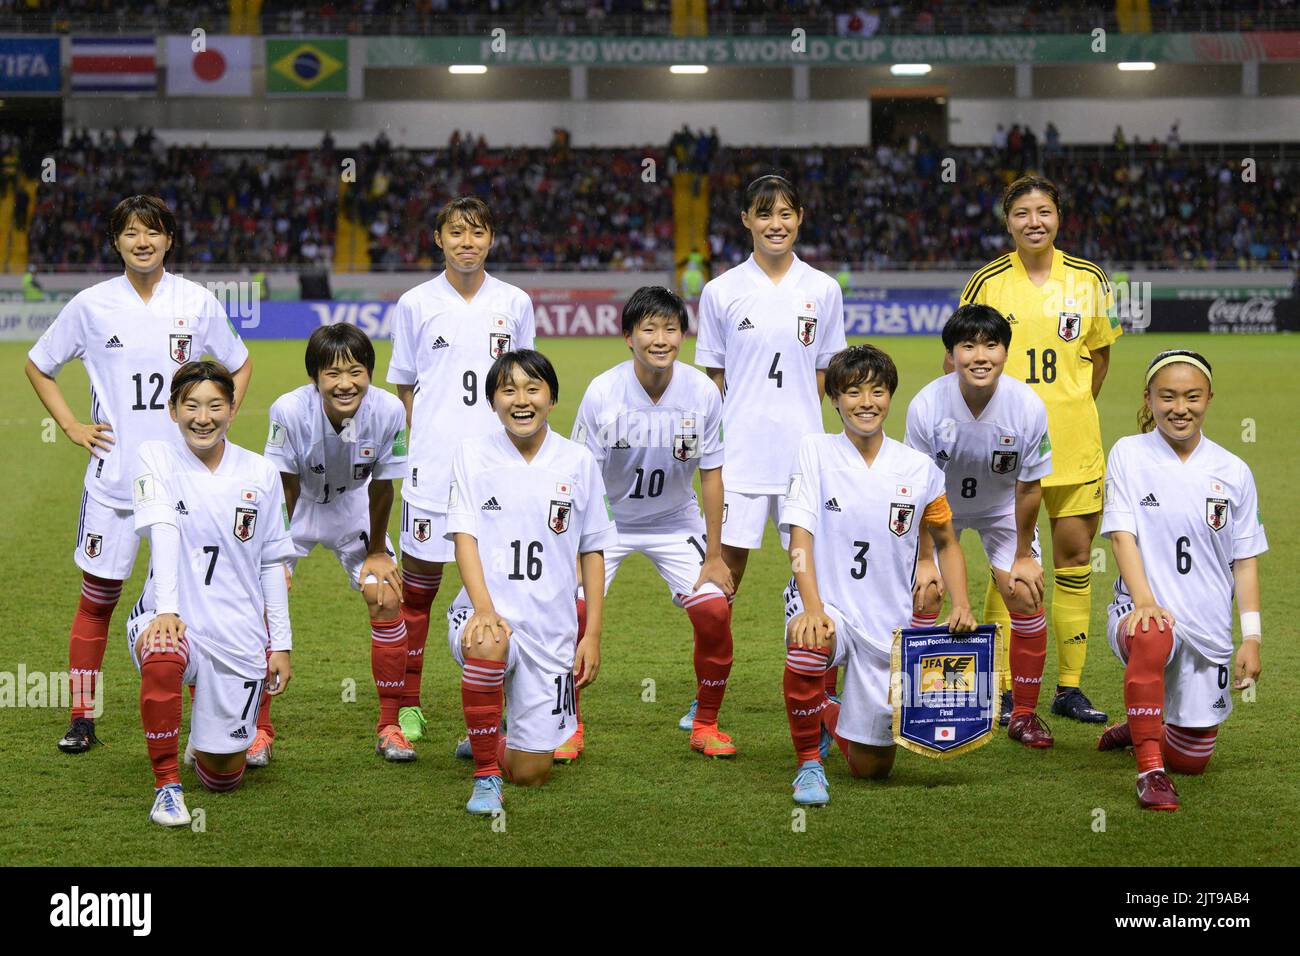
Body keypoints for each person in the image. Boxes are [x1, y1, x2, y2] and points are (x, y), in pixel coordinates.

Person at [25, 194, 251, 754]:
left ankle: (208, 721)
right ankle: (82, 717)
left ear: (169, 239)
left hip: (185, 483)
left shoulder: (196, 301)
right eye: (130, 232)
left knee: (195, 602)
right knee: (98, 597)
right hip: (116, 481)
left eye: (152, 232)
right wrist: (72, 426)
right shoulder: (91, 305)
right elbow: (39, 364)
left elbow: (240, 363)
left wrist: (218, 420)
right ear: (116, 242)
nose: (142, 241)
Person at [780, 345, 976, 806]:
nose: (866, 402)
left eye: (877, 391)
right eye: (853, 392)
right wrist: (812, 607)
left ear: (890, 396)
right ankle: (808, 765)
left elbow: (947, 541)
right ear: (834, 399)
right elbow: (800, 540)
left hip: (887, 624)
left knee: (872, 770)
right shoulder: (814, 451)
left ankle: (828, 712)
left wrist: (963, 604)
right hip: (828, 604)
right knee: (810, 642)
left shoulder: (920, 469)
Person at [957, 175, 1121, 725]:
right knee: (1008, 566)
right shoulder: (987, 282)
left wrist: (1066, 410)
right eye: (1023, 213)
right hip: (1006, 451)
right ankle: (1004, 688)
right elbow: (962, 358)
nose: (1034, 221)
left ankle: (1068, 688)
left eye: (1044, 211)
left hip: (1075, 447)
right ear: (1008, 222)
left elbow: (1099, 359)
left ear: (1059, 217)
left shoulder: (1090, 279)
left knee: (1074, 560)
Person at [694, 173, 846, 716]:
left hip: (804, 457)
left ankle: (825, 690)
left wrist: (799, 420)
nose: (775, 224)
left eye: (785, 214)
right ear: (746, 221)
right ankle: (706, 700)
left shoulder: (823, 289)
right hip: (740, 458)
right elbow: (713, 377)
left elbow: (826, 372)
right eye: (764, 214)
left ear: (799, 218)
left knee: (815, 572)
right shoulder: (721, 291)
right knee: (722, 577)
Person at [385, 196, 535, 745]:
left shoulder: (515, 302)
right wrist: (430, 442)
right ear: (438, 239)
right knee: (418, 596)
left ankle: (496, 711)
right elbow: (406, 387)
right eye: (456, 232)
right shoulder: (415, 303)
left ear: (491, 238)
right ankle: (408, 706)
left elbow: (526, 384)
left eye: (477, 232)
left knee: (498, 593)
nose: (466, 242)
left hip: (497, 472)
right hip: (432, 473)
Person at [566, 286, 735, 761]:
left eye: (671, 329)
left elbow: (712, 474)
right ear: (628, 337)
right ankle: (566, 725)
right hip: (608, 525)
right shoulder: (603, 392)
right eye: (649, 329)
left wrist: (715, 555)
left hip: (676, 522)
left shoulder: (703, 392)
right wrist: (577, 550)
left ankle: (706, 723)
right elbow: (579, 477)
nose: (661, 339)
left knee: (714, 611)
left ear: (683, 335)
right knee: (571, 613)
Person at [445, 350, 617, 815]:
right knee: (489, 642)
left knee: (532, 773)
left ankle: (488, 736)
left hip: (550, 630)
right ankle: (485, 775)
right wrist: (484, 608)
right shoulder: (471, 455)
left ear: (552, 398)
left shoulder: (578, 461)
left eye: (532, 389)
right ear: (492, 402)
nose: (521, 400)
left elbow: (593, 550)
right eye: (508, 391)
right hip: (484, 613)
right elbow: (464, 538)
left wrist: (592, 634)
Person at [125, 360, 294, 826]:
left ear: (232, 410)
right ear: (173, 410)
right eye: (192, 406)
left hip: (237, 635)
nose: (203, 417)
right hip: (170, 619)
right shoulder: (155, 457)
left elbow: (271, 563)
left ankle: (205, 740)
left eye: (215, 406)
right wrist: (166, 610)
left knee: (223, 780)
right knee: (163, 651)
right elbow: (163, 528)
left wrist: (280, 643)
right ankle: (166, 788)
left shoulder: (261, 472)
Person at [1097, 350, 1265, 810]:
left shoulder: (1233, 471)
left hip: (1207, 628)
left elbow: (1245, 560)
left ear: (1209, 398)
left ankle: (1140, 726)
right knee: (1152, 634)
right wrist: (1145, 601)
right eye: (1167, 396)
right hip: (1141, 611)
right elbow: (1122, 537)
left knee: (1192, 760)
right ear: (1148, 399)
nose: (1180, 408)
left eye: (1192, 397)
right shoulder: (1129, 453)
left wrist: (1251, 638)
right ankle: (1150, 771)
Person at [258, 324, 411, 765]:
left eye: (356, 372)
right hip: (297, 507)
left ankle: (390, 726)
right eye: (333, 373)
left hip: (354, 505)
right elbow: (284, 486)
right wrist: (276, 553)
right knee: (262, 599)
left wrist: (378, 551)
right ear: (315, 378)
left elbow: (382, 488)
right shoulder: (288, 410)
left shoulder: (389, 411)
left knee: (385, 594)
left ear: (370, 374)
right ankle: (257, 729)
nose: (346, 383)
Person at [907, 305, 1054, 746]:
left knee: (1025, 592)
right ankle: (909, 705)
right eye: (967, 346)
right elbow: (916, 488)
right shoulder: (927, 405)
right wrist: (925, 558)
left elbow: (1029, 487)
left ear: (1006, 351)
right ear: (951, 354)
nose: (980, 356)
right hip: (938, 507)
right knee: (925, 593)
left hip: (1002, 507)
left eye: (991, 345)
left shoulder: (1027, 407)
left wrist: (1024, 555)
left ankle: (1024, 714)